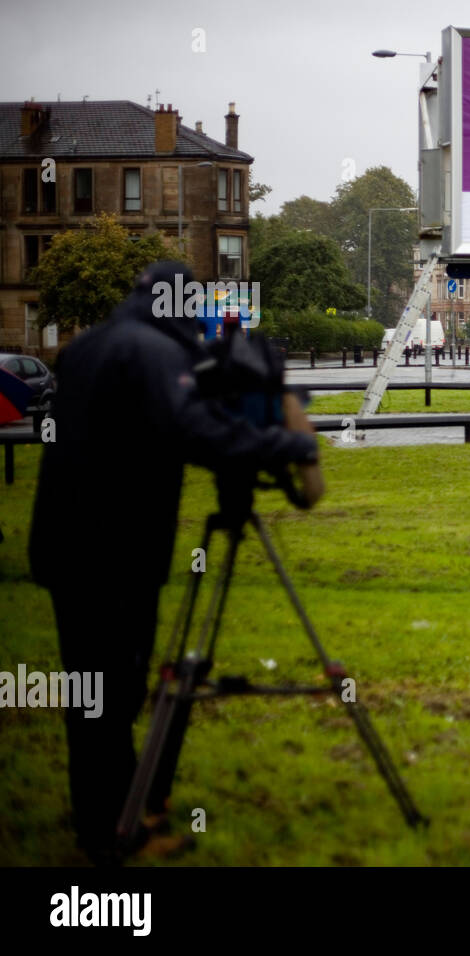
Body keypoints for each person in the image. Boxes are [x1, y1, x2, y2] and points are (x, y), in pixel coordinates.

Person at [28, 261, 319, 865]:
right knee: (117, 686)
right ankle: (117, 826)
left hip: (64, 544)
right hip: (117, 550)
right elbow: (196, 432)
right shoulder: (155, 355)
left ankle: (103, 808)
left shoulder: (88, 347)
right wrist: (288, 444)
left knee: (89, 690)